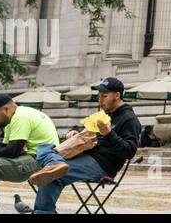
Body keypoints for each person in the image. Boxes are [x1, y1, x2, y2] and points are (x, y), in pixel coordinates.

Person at [29, 77, 140, 213]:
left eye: (104, 96)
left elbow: (129, 152)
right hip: (84, 154)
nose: (100, 100)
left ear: (117, 95)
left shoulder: (129, 119)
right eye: (99, 96)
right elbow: (87, 133)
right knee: (44, 147)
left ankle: (44, 206)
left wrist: (109, 134)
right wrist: (75, 132)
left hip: (102, 165)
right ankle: (55, 163)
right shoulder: (104, 114)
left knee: (52, 175)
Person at [0, 93, 59, 214]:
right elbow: (4, 149)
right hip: (35, 156)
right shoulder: (11, 120)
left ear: (6, 109)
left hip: (43, 160)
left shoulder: (21, 117)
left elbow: (12, 151)